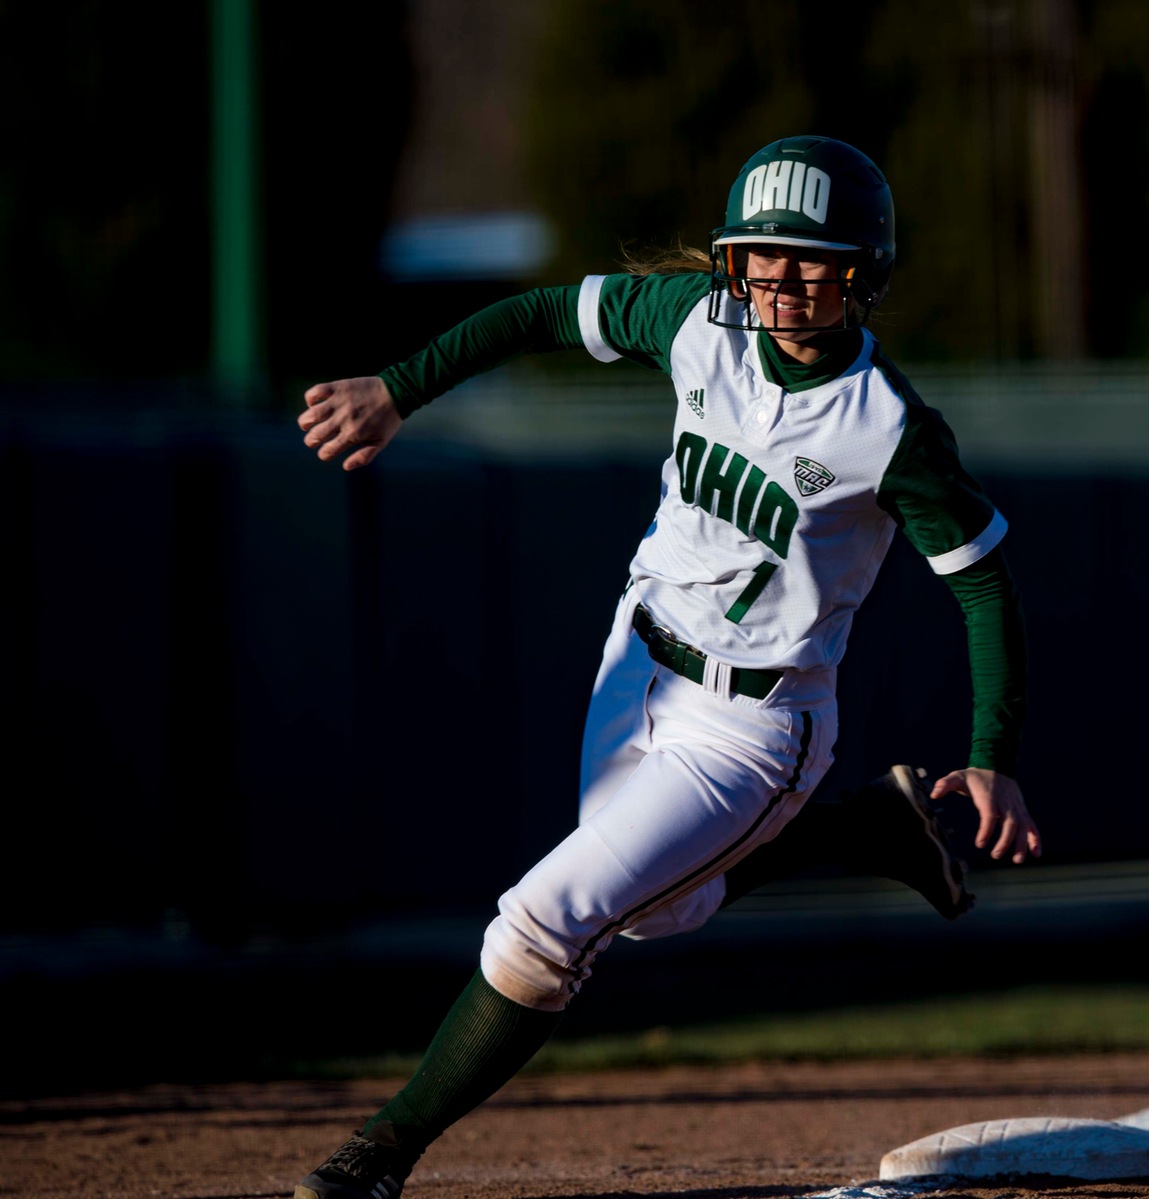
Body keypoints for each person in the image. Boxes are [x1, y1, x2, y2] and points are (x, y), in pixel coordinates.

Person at [290, 135, 1039, 1199]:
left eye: (810, 259)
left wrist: (992, 752)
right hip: (636, 650)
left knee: (549, 917)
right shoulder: (695, 321)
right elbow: (542, 311)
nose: (778, 280)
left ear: (862, 271)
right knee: (650, 908)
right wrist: (401, 389)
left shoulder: (888, 429)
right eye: (759, 254)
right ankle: (868, 824)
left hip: (755, 723)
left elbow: (984, 582)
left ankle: (376, 1153)